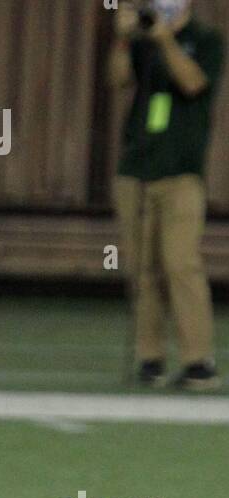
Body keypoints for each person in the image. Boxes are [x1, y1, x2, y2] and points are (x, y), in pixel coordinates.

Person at [111, 0, 224, 390]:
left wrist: (166, 42)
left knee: (181, 264)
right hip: (137, 169)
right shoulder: (141, 40)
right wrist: (124, 40)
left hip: (181, 173)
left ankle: (198, 362)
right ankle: (150, 357)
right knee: (143, 269)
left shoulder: (207, 40)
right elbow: (117, 81)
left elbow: (193, 83)